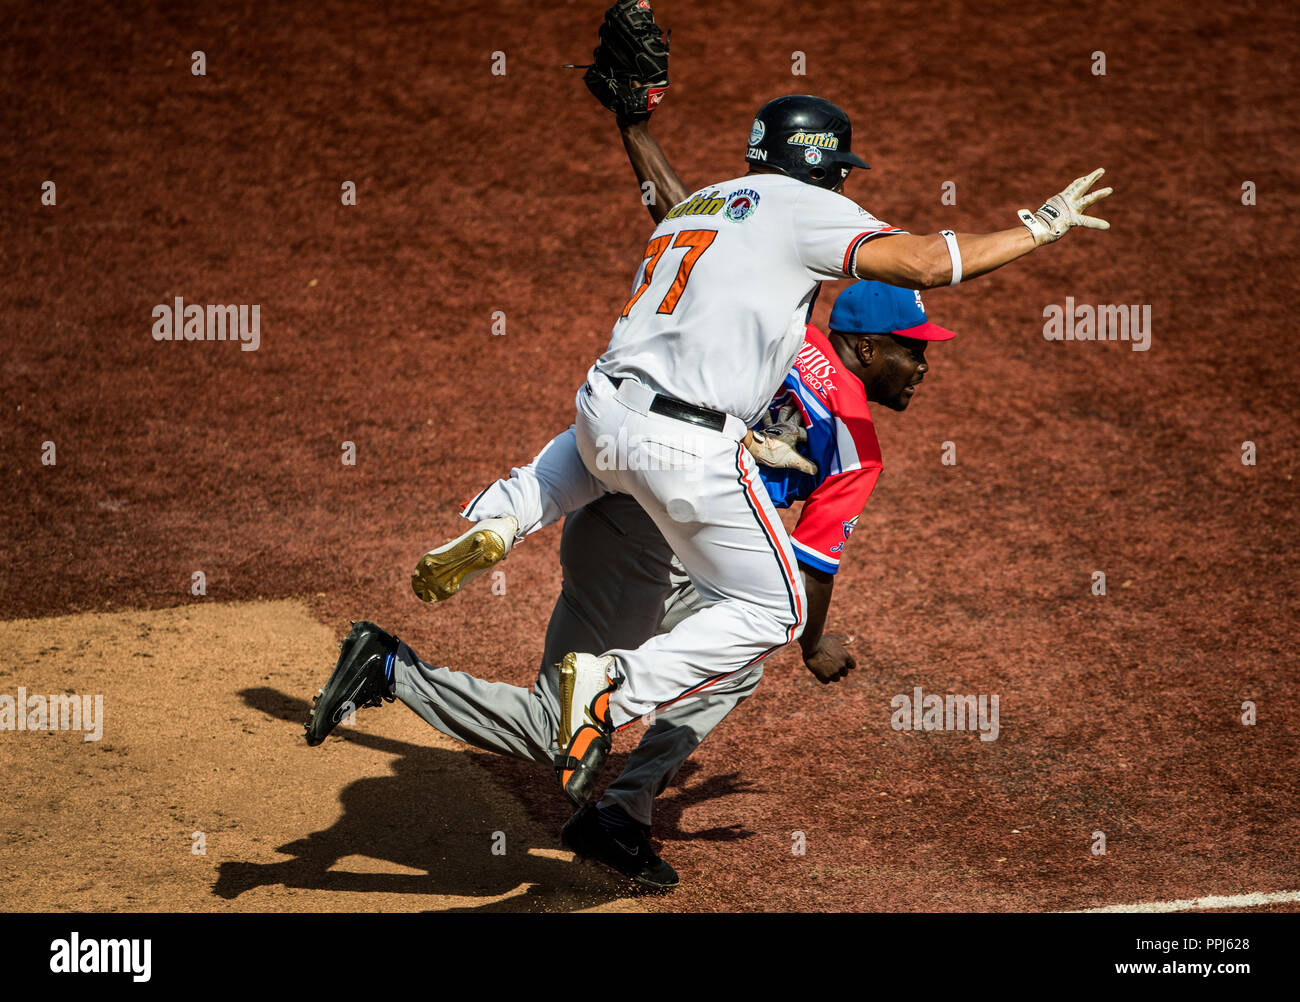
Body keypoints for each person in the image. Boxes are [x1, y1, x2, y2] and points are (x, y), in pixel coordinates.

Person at [401, 89, 1111, 816]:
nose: (845, 187)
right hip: (689, 474)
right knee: (775, 613)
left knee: (578, 465)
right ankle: (610, 699)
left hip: (603, 415)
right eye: (840, 172)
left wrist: (634, 126)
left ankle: (502, 518)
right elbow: (926, 262)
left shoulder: (712, 206)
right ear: (818, 168)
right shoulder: (809, 221)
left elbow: (665, 200)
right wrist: (1039, 228)